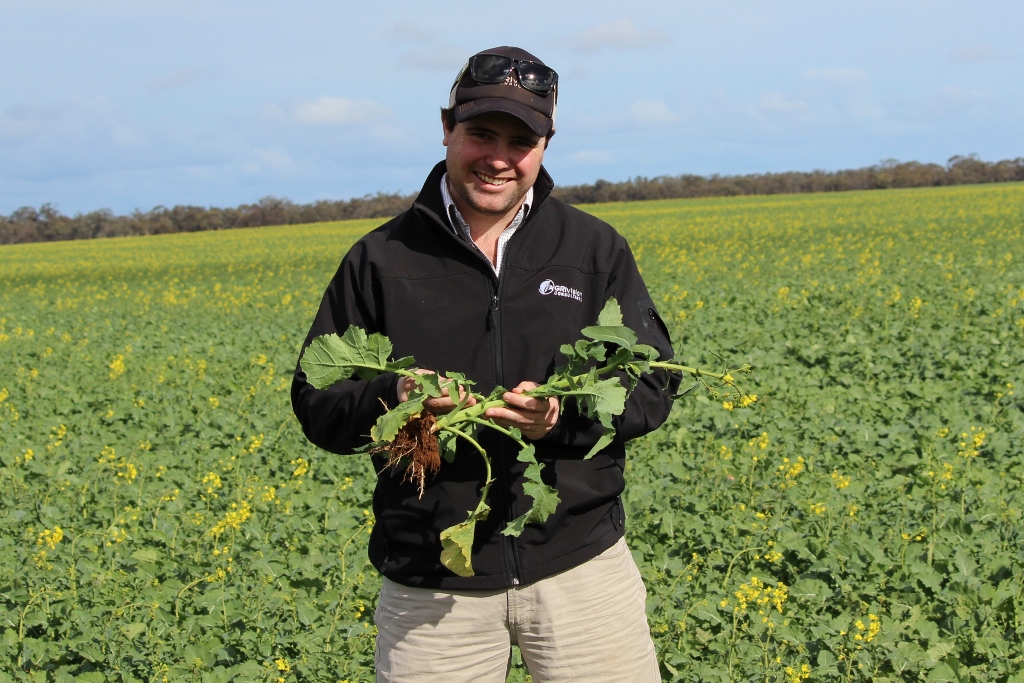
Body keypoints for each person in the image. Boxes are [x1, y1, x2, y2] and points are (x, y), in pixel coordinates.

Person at [292, 46, 679, 683]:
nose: (499, 158)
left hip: (580, 568)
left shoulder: (592, 249)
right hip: (431, 586)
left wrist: (561, 418)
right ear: (447, 129)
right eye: (481, 134)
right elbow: (318, 401)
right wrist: (398, 397)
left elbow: (651, 381)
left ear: (545, 146)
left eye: (521, 140)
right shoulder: (380, 260)